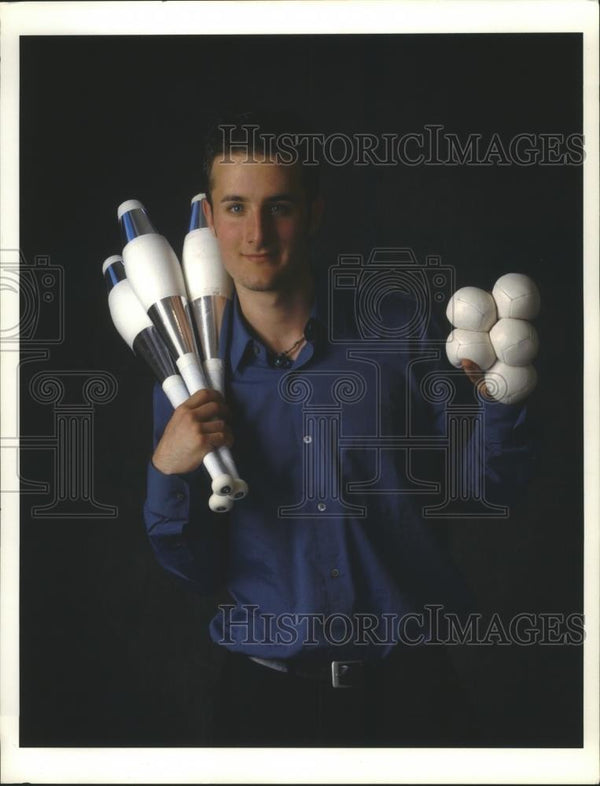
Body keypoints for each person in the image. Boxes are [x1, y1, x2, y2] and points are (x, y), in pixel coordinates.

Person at [144, 111, 533, 746]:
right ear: (209, 222)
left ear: (315, 213)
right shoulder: (186, 372)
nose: (257, 234)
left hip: (412, 696)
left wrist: (500, 398)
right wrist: (167, 471)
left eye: (281, 207)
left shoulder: (401, 333)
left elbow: (490, 489)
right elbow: (195, 572)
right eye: (236, 208)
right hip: (264, 705)